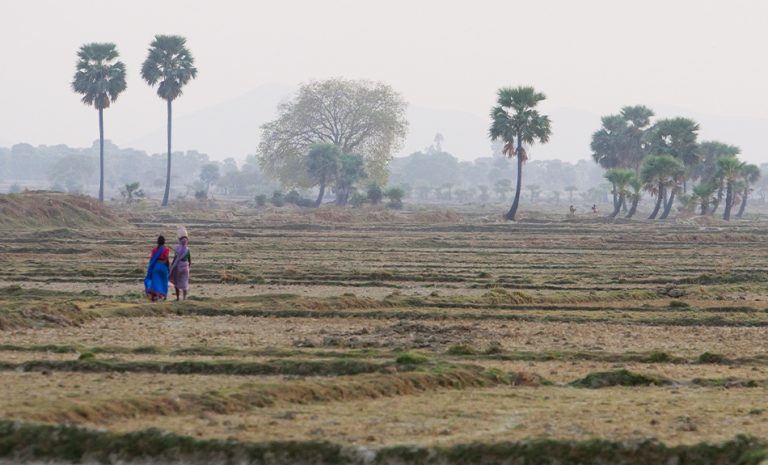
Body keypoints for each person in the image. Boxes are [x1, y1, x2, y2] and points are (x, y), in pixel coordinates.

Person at [169, 226, 192, 301]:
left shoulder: (177, 249)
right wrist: (188, 267)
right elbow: (190, 260)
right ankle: (184, 298)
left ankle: (178, 298)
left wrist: (171, 267)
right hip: (186, 268)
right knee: (185, 283)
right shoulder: (187, 250)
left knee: (176, 283)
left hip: (178, 268)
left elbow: (175, 259)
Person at [144, 235, 170, 301]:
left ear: (157, 242)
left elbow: (152, 260)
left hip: (156, 267)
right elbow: (167, 259)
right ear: (164, 242)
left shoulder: (154, 250)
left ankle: (156, 296)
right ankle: (164, 296)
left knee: (156, 283)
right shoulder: (166, 249)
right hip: (163, 267)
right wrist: (168, 268)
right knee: (164, 282)